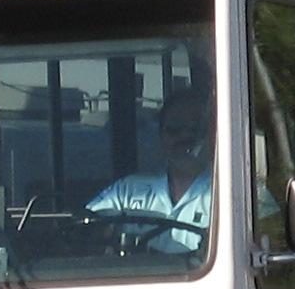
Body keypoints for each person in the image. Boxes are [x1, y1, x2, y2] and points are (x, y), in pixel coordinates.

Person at [86, 91, 214, 256]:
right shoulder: (127, 192)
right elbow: (87, 229)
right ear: (161, 135)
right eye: (175, 128)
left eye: (196, 129)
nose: (185, 136)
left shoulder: (228, 194)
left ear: (213, 135)